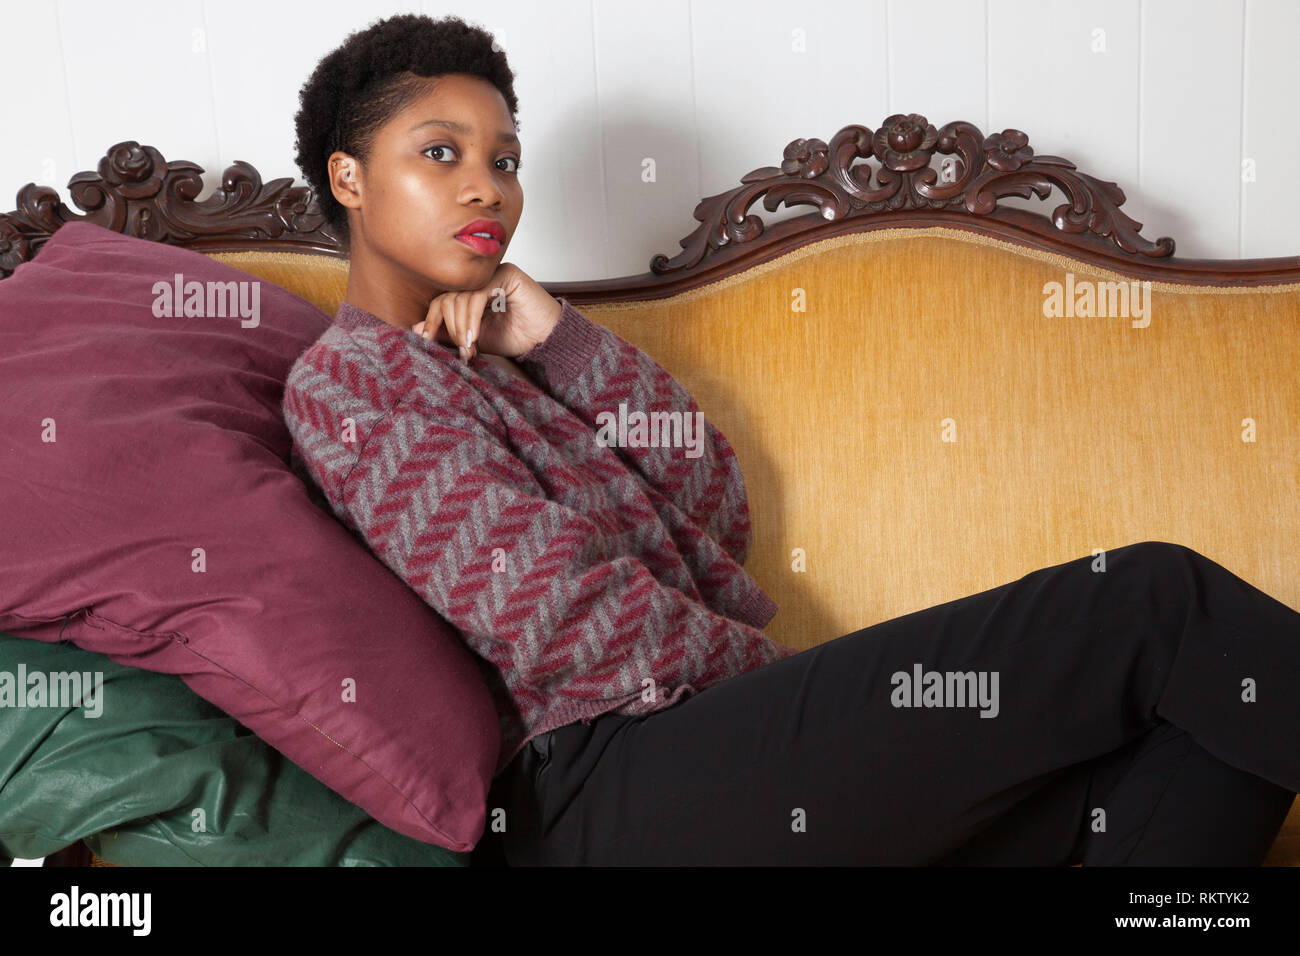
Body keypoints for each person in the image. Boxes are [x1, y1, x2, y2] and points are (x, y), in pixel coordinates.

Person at [284, 13, 1300, 866]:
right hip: (598, 789)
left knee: (1193, 751)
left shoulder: (506, 357)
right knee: (1153, 601)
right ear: (349, 177)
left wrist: (555, 335)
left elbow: (718, 507)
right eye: (439, 152)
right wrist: (772, 678)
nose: (486, 188)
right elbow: (556, 619)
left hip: (693, 753)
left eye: (503, 160)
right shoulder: (350, 380)